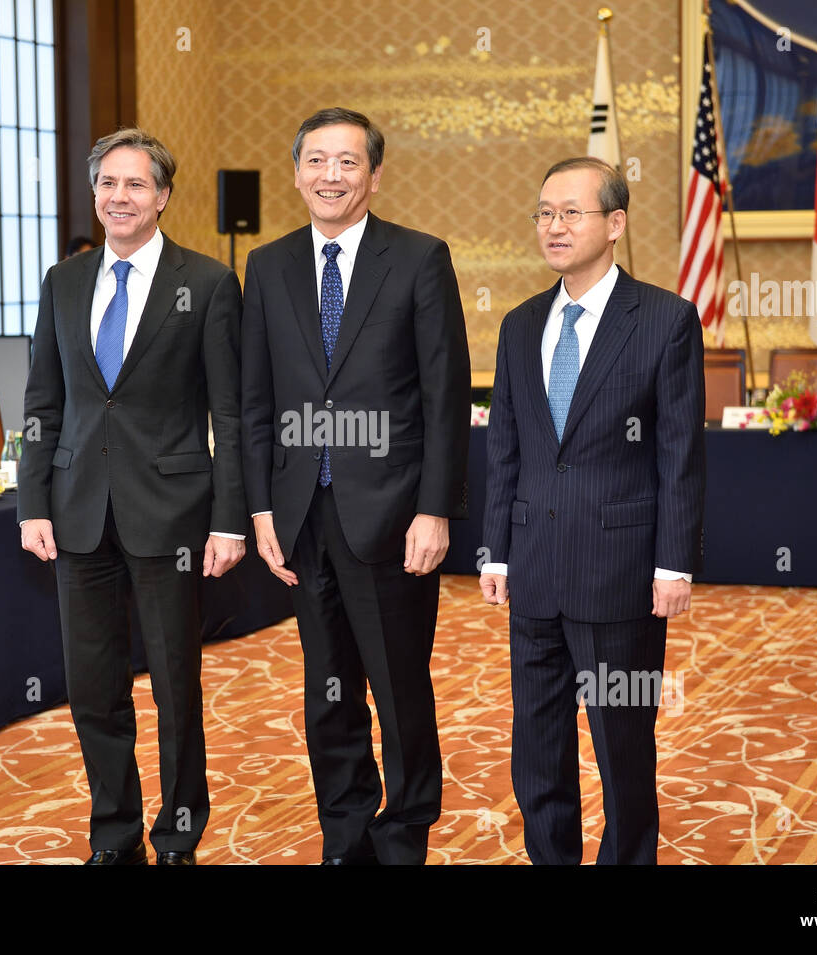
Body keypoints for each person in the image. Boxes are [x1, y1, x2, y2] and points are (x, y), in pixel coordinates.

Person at [241, 107, 470, 865]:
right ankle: (345, 835)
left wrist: (436, 508)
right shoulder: (268, 267)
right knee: (328, 688)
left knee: (399, 686)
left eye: (347, 163)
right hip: (303, 513)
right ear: (297, 171)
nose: (330, 176)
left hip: (394, 514)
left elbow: (444, 397)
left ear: (374, 175)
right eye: (316, 161)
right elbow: (255, 401)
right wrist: (261, 505)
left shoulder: (418, 258)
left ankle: (403, 835)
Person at [18, 128, 246, 866]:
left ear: (163, 197)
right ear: (95, 193)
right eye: (108, 183)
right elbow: (42, 405)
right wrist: (32, 503)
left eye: (136, 184)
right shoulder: (65, 281)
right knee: (94, 692)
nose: (120, 196)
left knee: (176, 691)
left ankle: (178, 836)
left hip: (173, 518)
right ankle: (114, 837)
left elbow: (232, 414)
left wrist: (229, 520)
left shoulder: (207, 284)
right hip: (79, 515)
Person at [479, 156, 704, 865]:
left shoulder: (664, 320)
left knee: (623, 748)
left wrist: (674, 564)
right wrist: (498, 551)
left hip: (621, 575)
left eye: (571, 212)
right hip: (534, 573)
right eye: (545, 212)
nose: (554, 225)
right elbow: (505, 450)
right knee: (537, 752)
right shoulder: (519, 325)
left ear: (615, 223)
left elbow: (680, 454)